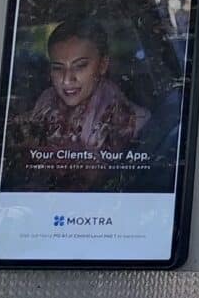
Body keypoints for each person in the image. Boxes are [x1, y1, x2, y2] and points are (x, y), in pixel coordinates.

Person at [11, 13, 149, 176]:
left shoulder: (133, 121)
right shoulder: (44, 104)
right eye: (58, 67)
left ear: (103, 65)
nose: (67, 80)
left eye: (80, 66)